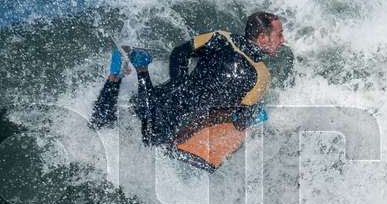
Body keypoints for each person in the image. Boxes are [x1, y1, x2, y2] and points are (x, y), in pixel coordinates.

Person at [89, 11, 285, 162]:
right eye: (279, 35)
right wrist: (252, 116)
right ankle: (141, 68)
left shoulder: (222, 37)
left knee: (103, 122)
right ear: (262, 38)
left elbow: (180, 53)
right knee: (151, 140)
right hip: (183, 117)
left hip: (165, 93)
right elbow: (240, 120)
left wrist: (178, 83)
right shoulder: (260, 76)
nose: (282, 41)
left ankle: (115, 77)